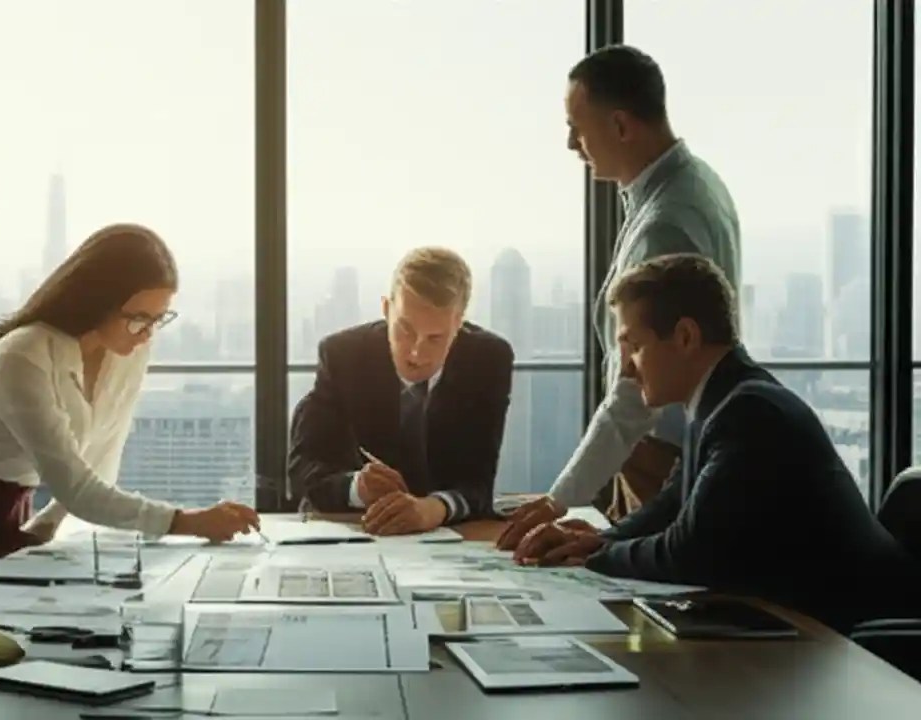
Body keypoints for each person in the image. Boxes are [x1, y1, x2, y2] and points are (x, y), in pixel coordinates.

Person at [512, 254, 916, 632]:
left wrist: (595, 556)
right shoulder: (727, 400)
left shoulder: (749, 413)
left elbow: (689, 553)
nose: (627, 367)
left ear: (686, 337)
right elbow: (671, 507)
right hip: (813, 630)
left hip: (860, 644)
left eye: (634, 346)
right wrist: (601, 539)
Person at [500, 44, 741, 550]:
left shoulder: (665, 223)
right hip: (665, 449)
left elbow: (635, 392)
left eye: (577, 126)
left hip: (660, 458)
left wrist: (559, 498)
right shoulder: (695, 185)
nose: (570, 143)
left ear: (622, 126)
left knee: (638, 602)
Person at [0, 223, 259, 566]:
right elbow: (75, 484)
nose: (147, 334)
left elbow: (99, 463)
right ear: (99, 301)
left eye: (158, 319)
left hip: (8, 506)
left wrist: (44, 532)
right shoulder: (25, 354)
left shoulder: (126, 352)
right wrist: (187, 521)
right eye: (139, 318)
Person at [288, 247, 513, 535]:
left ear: (458, 324)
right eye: (405, 330)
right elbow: (302, 470)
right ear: (386, 309)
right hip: (358, 531)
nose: (417, 353)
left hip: (444, 541)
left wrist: (434, 508)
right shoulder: (343, 354)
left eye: (435, 338)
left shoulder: (488, 360)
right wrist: (357, 487)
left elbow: (478, 482)